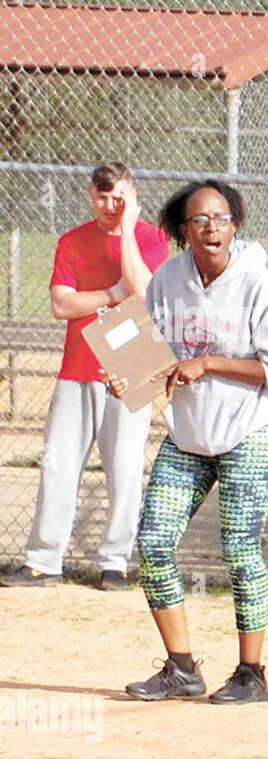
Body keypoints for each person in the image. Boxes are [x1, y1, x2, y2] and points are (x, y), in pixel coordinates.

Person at [107, 180, 268, 705]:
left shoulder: (258, 284)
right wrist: (128, 376)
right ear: (182, 230)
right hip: (189, 434)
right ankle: (181, 668)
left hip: (248, 430)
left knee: (240, 548)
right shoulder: (168, 281)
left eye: (221, 217)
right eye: (199, 220)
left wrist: (211, 362)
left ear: (235, 225)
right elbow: (154, 356)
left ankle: (251, 673)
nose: (211, 227)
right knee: (152, 543)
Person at [1, 162, 169, 591]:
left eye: (120, 198)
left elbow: (143, 292)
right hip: (78, 362)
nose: (110, 206)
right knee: (58, 462)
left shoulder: (151, 238)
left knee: (125, 466)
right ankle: (43, 561)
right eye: (103, 197)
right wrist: (111, 296)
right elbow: (61, 305)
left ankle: (114, 561)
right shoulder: (72, 241)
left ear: (132, 195)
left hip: (133, 358)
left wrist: (128, 230)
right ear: (90, 194)